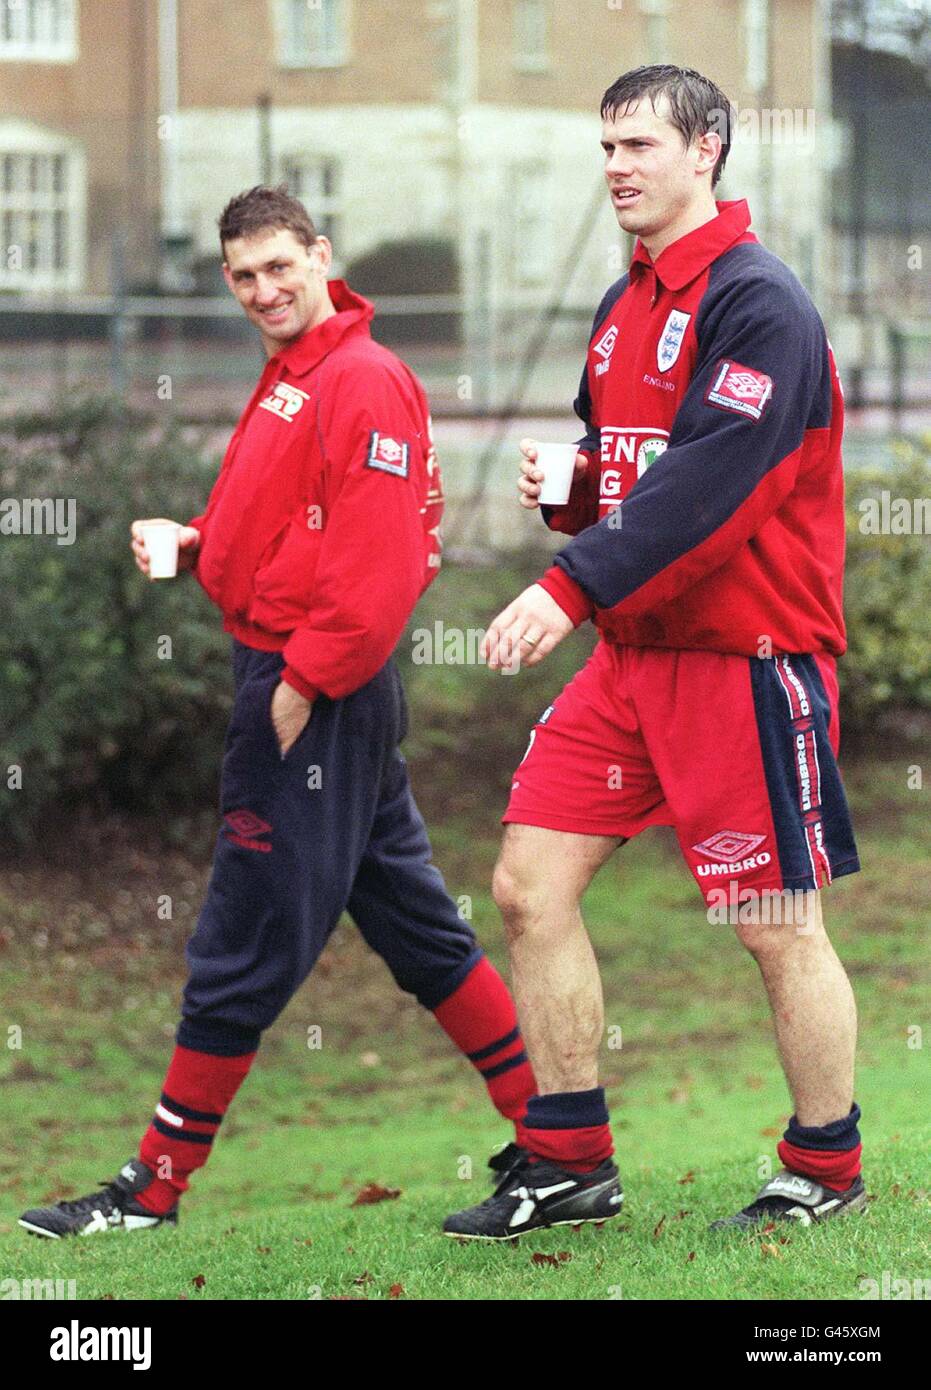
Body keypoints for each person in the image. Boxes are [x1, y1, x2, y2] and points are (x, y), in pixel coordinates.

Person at [20, 185, 536, 1239]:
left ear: (321, 255)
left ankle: (152, 1192)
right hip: (296, 679)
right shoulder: (296, 374)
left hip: (312, 694)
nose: (263, 289)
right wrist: (199, 540)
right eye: (244, 275)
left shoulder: (362, 379)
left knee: (237, 942)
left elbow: (380, 564)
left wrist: (303, 683)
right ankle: (563, 1147)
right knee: (424, 934)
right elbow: (283, 516)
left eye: (279, 268)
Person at [444, 66, 864, 1241]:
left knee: (773, 919)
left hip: (747, 659)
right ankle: (568, 1159)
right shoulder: (622, 300)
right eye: (606, 146)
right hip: (635, 659)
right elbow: (630, 464)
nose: (618, 165)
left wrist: (565, 582)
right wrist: (574, 483)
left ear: (707, 150)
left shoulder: (760, 301)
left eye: (639, 143)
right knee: (529, 889)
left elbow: (713, 483)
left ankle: (824, 1164)